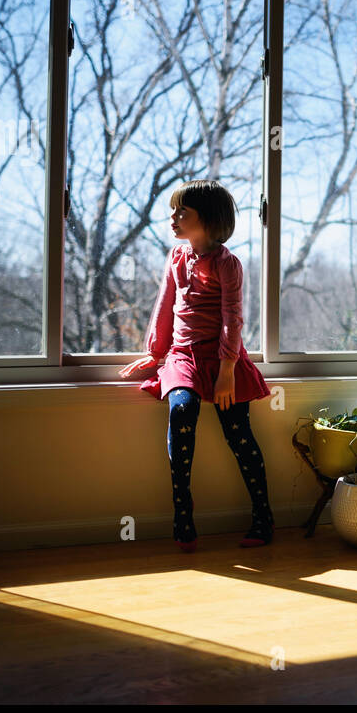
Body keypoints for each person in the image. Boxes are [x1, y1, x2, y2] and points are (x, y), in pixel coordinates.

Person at [119, 180, 273, 551]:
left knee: (239, 435)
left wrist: (226, 371)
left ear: (208, 219)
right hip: (183, 356)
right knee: (182, 411)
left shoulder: (227, 264)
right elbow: (165, 303)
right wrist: (155, 352)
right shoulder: (176, 257)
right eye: (173, 210)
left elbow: (231, 317)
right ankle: (182, 512)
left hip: (222, 356)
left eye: (181, 212)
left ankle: (263, 516)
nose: (173, 218)